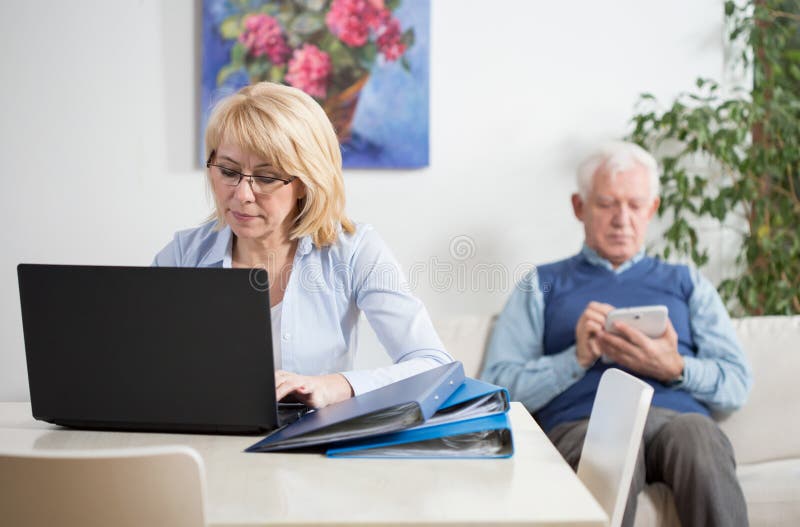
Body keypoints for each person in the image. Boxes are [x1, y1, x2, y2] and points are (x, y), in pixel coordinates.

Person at [481, 141, 752, 526]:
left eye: (635, 205)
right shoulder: (541, 284)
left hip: (676, 420)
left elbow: (737, 385)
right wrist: (574, 360)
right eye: (607, 204)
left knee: (698, 436)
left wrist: (675, 367)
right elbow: (498, 389)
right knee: (607, 447)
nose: (622, 219)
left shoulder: (687, 283)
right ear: (580, 207)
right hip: (585, 424)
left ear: (652, 209)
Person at [153, 81, 452, 409]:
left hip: (312, 451)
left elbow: (434, 364)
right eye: (228, 171)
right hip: (206, 443)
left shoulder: (353, 251)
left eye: (266, 178)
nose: (241, 194)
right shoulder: (184, 254)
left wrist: (336, 386)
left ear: (306, 182)